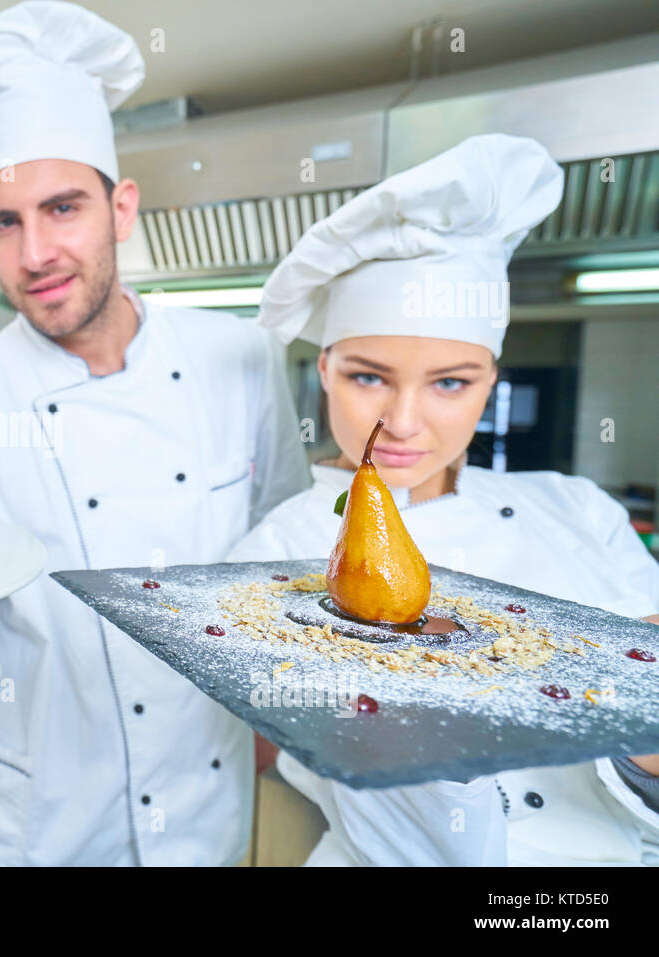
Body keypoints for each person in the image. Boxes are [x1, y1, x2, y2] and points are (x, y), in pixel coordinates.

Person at [0, 1, 309, 865]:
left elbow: (285, 566)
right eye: (3, 221)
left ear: (123, 207)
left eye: (63, 207)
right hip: (35, 831)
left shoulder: (243, 362)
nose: (34, 252)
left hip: (205, 821)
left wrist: (271, 720)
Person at [226, 133, 659, 866]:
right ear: (325, 369)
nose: (402, 421)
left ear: (490, 381)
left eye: (451, 382)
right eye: (368, 376)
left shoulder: (577, 509)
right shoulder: (265, 558)